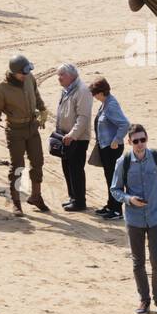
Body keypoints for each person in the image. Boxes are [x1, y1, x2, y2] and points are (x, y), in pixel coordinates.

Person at [107, 123, 157, 314]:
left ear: (147, 139)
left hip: (155, 218)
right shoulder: (124, 162)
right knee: (138, 262)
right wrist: (129, 200)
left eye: (143, 139)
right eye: (135, 141)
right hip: (134, 220)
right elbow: (115, 189)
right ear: (129, 142)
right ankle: (144, 300)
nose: (140, 144)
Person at [0, 54, 48, 216]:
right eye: (23, 73)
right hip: (15, 131)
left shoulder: (29, 78)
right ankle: (16, 203)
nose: (25, 75)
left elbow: (36, 94)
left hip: (32, 127)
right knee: (18, 166)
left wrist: (42, 109)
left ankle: (36, 197)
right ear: (14, 72)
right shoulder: (1, 89)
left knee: (38, 162)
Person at [89, 77, 131, 220]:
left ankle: (117, 210)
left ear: (102, 92)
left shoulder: (111, 105)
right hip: (105, 147)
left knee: (114, 179)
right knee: (110, 178)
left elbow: (125, 124)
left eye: (95, 93)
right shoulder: (105, 103)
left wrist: (117, 139)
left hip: (112, 148)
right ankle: (110, 205)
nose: (94, 96)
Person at [54, 63, 93, 213]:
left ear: (71, 76)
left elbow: (83, 117)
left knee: (76, 169)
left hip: (78, 138)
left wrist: (73, 135)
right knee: (67, 168)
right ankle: (73, 198)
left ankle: (79, 201)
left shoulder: (82, 91)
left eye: (61, 75)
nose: (59, 78)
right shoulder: (66, 90)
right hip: (65, 136)